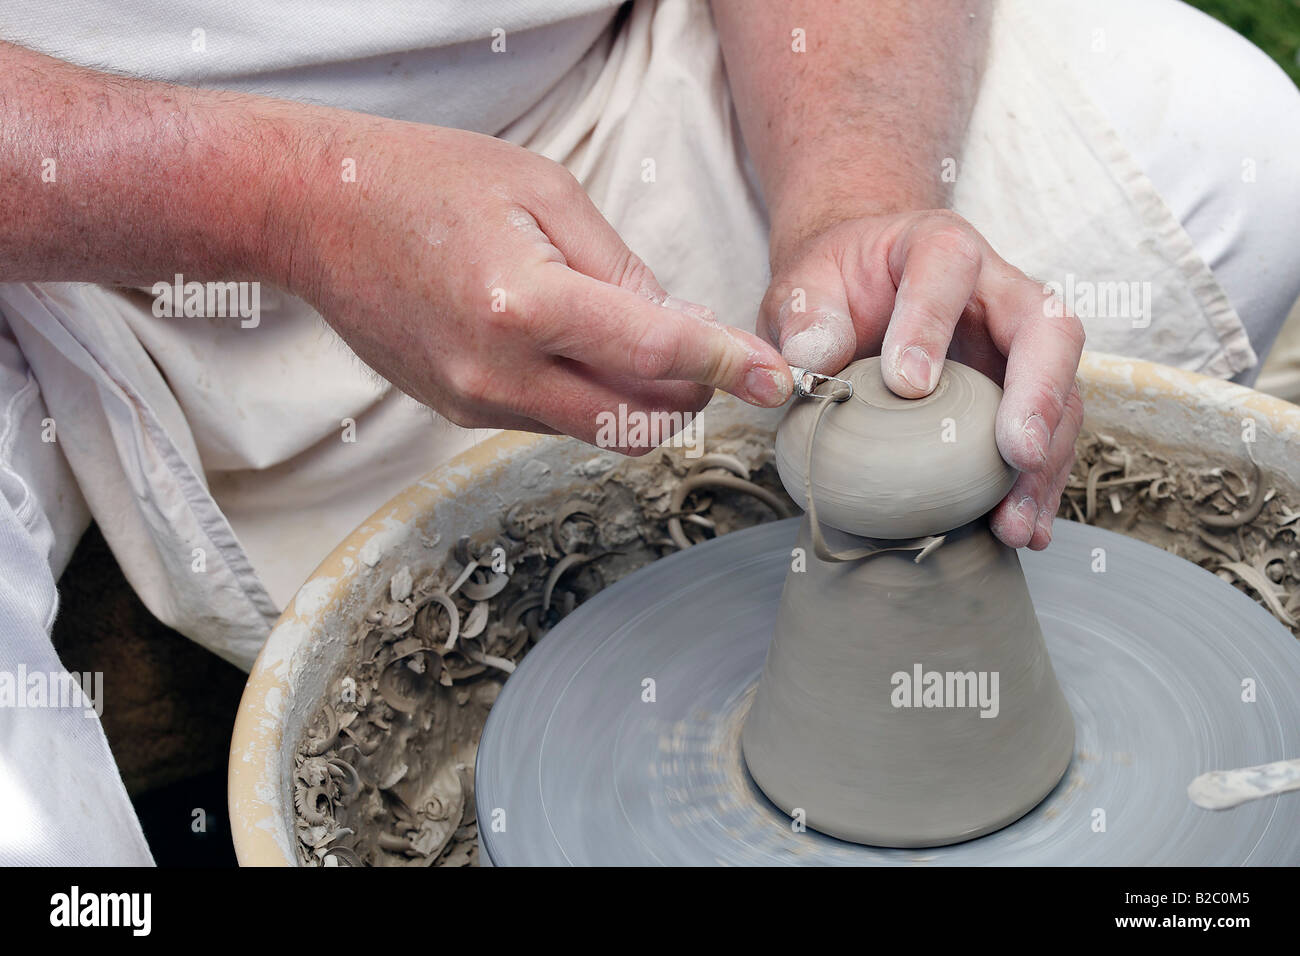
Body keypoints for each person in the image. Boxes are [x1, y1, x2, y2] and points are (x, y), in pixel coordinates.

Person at [1, 0, 1297, 863]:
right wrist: (297, 204)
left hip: (580, 108)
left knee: (1238, 147)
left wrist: (855, 197)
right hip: (71, 220)